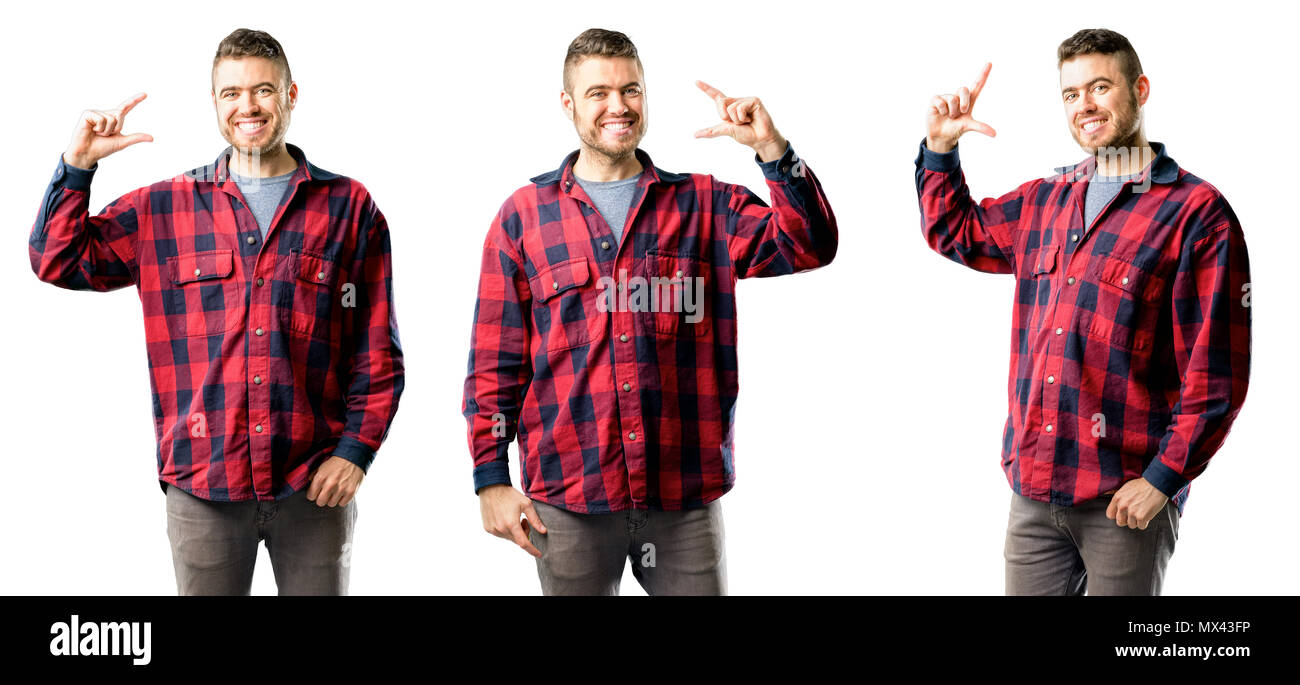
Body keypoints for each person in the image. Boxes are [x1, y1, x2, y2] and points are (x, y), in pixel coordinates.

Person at [28, 28, 404, 595]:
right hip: (201, 486)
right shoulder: (163, 208)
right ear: (215, 103)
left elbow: (377, 351)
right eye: (231, 93)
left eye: (263, 90)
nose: (247, 106)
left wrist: (355, 452)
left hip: (313, 487)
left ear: (291, 95)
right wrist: (77, 165)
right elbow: (58, 260)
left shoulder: (348, 208)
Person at [463, 28, 837, 595]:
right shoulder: (523, 218)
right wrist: (490, 476)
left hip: (683, 496)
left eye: (631, 90)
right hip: (568, 499)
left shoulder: (706, 205)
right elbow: (496, 364)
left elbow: (810, 245)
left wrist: (771, 150)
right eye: (598, 93)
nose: (618, 106)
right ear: (568, 104)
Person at [915, 28, 1250, 595]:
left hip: (1125, 500)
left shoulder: (1198, 214)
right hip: (1033, 491)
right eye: (1071, 94)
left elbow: (1217, 376)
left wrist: (1163, 481)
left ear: (1139, 89)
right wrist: (941, 150)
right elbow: (955, 231)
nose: (1085, 105)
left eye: (1100, 86)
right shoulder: (1047, 198)